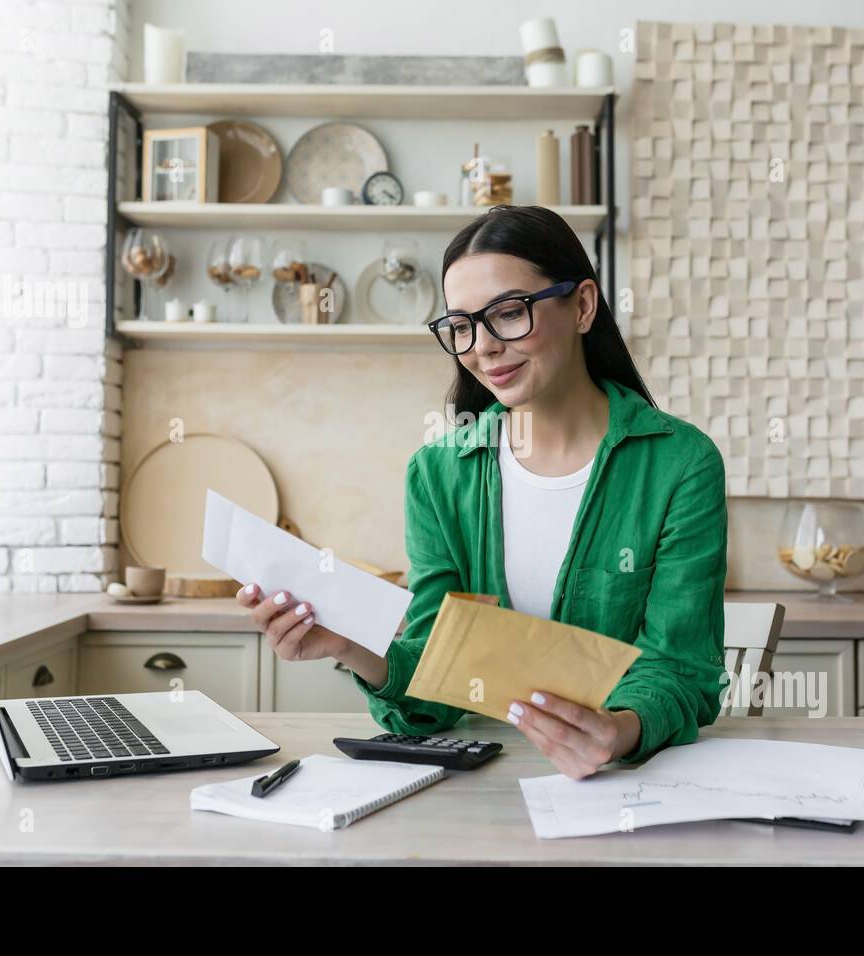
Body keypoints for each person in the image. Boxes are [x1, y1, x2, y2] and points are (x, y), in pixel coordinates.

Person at [237, 205, 727, 779]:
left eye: (509, 312)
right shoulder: (438, 474)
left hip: (629, 781)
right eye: (463, 325)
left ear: (583, 306)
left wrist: (619, 730)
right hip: (483, 781)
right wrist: (350, 645)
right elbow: (439, 686)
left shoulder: (680, 464)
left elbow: (680, 669)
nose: (484, 347)